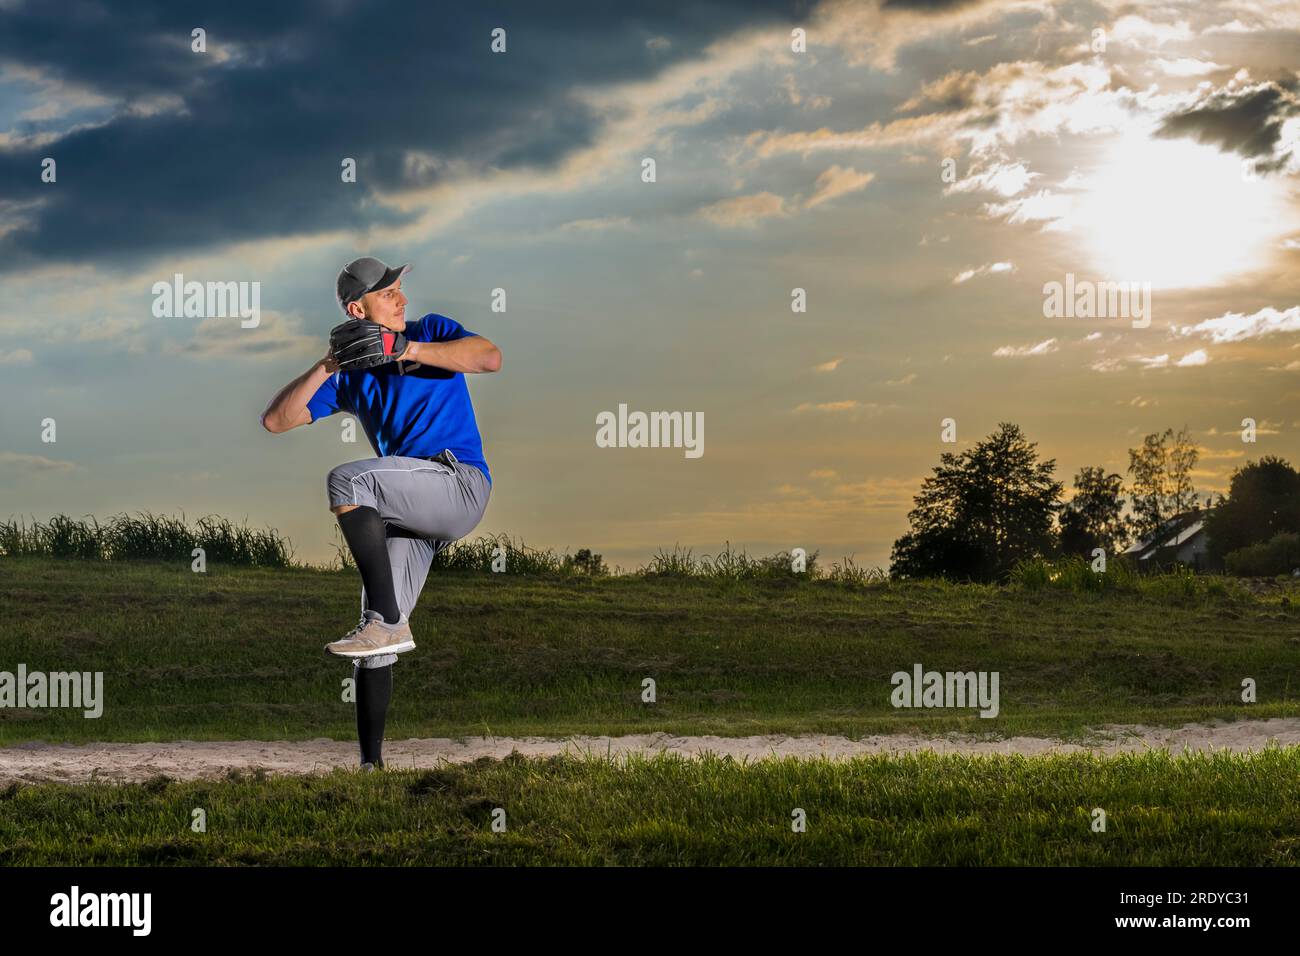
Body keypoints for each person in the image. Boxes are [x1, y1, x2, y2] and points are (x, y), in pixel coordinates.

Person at [259, 256, 501, 769]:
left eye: (399, 289)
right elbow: (276, 421)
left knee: (348, 479)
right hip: (410, 511)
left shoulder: (430, 331)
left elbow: (489, 358)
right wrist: (329, 363)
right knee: (375, 640)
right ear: (357, 308)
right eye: (389, 292)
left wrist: (406, 347)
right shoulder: (351, 377)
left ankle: (389, 619)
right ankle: (372, 767)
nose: (401, 299)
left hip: (458, 482)